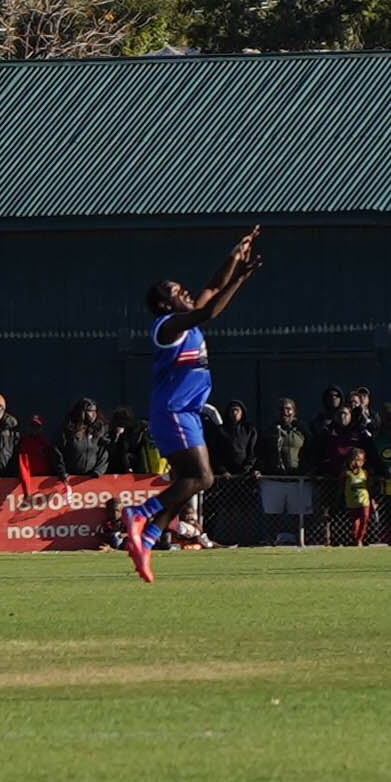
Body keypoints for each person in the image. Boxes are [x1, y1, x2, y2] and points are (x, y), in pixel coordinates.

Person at [126, 225, 267, 568]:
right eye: (178, 291)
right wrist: (239, 280)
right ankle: (138, 513)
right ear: (164, 303)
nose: (186, 292)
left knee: (186, 482)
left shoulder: (184, 323)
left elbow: (211, 287)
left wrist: (235, 257)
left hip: (184, 411)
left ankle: (146, 541)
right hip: (173, 410)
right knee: (203, 478)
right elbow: (210, 310)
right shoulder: (168, 326)